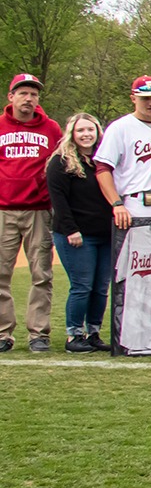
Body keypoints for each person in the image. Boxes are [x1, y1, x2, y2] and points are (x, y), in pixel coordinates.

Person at [0, 73, 61, 352]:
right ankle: (3, 333)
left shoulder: (51, 129)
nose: (29, 98)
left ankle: (39, 333)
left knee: (42, 274)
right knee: (1, 274)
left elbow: (62, 164)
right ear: (10, 97)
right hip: (4, 210)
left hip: (39, 210)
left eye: (34, 94)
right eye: (23, 93)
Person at [47, 112, 110, 353]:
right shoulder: (61, 161)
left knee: (100, 287)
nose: (86, 135)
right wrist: (71, 229)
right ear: (72, 133)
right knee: (82, 285)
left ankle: (93, 332)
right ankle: (74, 335)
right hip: (75, 235)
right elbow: (59, 201)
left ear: (98, 133)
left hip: (104, 235)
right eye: (81, 130)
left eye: (90, 130)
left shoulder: (104, 161)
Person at [95, 75, 151, 225]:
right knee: (140, 249)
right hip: (137, 203)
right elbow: (103, 168)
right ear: (133, 98)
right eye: (145, 98)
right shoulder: (119, 128)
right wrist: (116, 204)